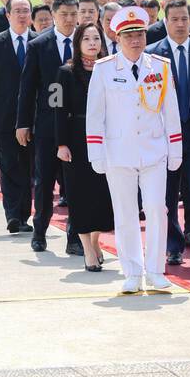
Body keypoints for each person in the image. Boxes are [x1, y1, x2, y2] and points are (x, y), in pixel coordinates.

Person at [86, 6, 183, 294]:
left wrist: (175, 148)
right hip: (119, 152)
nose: (136, 40)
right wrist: (96, 152)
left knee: (156, 208)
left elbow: (171, 110)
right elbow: (95, 114)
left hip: (154, 149)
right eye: (129, 35)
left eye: (140, 33)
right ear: (117, 37)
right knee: (125, 213)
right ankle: (131, 270)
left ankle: (155, 270)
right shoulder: (104, 69)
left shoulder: (160, 66)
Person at [147, 0, 190, 265]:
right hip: (164, 135)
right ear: (165, 21)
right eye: (174, 19)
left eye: (184, 19)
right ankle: (172, 245)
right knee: (166, 194)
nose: (179, 24)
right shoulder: (153, 55)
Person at [17, 0, 84, 255]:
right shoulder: (38, 45)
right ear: (53, 15)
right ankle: (40, 230)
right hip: (46, 126)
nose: (69, 19)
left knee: (76, 183)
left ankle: (75, 236)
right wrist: (23, 123)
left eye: (73, 14)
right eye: (63, 14)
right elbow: (27, 87)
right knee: (44, 181)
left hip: (77, 126)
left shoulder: (87, 42)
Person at [53, 21, 115, 272]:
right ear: (78, 43)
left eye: (96, 39)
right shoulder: (65, 73)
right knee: (80, 196)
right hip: (76, 139)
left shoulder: (110, 70)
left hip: (104, 139)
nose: (92, 43)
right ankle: (87, 249)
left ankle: (96, 241)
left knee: (102, 196)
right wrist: (61, 143)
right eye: (87, 39)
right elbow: (57, 109)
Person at [0, 0, 35, 234]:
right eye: (18, 11)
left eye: (26, 10)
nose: (22, 15)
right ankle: (13, 215)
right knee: (10, 165)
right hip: (4, 118)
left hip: (32, 118)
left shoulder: (39, 42)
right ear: (8, 15)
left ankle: (24, 213)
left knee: (28, 168)